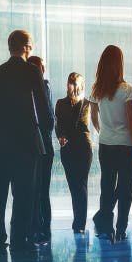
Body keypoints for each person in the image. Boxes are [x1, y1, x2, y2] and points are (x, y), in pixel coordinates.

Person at [0, 30, 53, 252]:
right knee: (25, 193)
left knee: (2, 192)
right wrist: (45, 131)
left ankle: (2, 237)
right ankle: (21, 239)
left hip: (2, 143)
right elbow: (43, 109)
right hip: (28, 142)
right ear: (26, 47)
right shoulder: (31, 71)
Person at [89, 45, 132, 242]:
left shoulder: (97, 89)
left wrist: (103, 131)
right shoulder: (127, 89)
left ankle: (105, 224)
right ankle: (120, 229)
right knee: (125, 189)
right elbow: (131, 122)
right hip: (125, 145)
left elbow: (93, 117)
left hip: (106, 145)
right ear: (120, 64)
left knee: (107, 186)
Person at [55, 72, 92, 234]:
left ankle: (80, 223)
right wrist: (60, 136)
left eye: (74, 82)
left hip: (83, 148)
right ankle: (78, 222)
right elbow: (58, 125)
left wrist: (64, 134)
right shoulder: (60, 103)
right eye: (70, 82)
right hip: (68, 148)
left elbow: (82, 125)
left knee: (81, 185)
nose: (72, 85)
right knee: (74, 186)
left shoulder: (86, 104)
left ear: (81, 85)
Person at [27, 55, 56, 244]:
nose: (44, 70)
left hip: (37, 145)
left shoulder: (36, 87)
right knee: (42, 190)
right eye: (42, 67)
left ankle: (39, 228)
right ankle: (43, 228)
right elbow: (49, 118)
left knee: (37, 190)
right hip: (43, 145)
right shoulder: (43, 87)